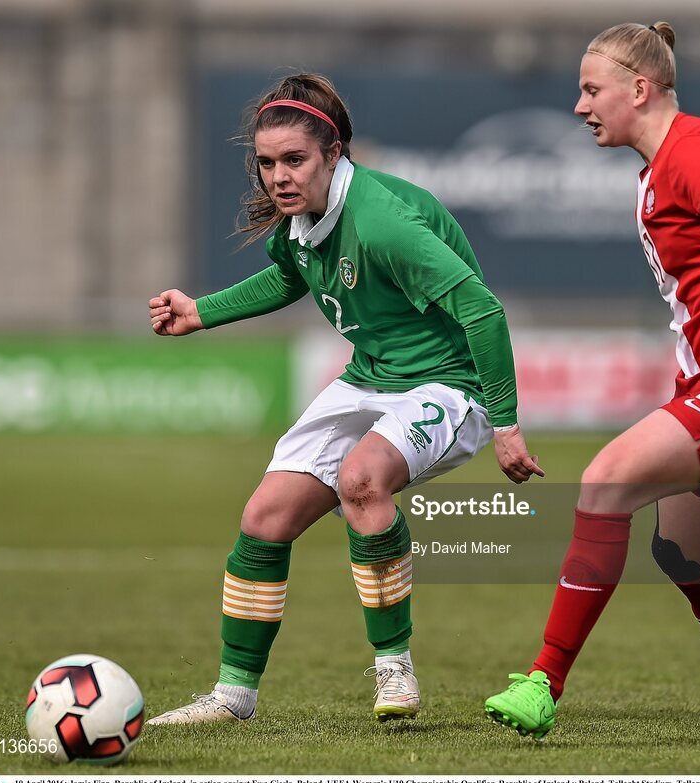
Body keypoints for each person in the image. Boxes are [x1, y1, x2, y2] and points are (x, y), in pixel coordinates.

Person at [146, 73, 543, 726]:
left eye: (294, 160)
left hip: (449, 384)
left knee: (362, 479)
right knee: (264, 518)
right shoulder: (299, 220)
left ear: (334, 155)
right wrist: (202, 312)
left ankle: (395, 665)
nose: (278, 176)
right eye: (267, 162)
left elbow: (483, 310)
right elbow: (288, 276)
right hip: (369, 377)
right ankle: (232, 697)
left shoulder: (384, 222)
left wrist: (505, 424)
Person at [484, 21, 700, 738]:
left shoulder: (694, 153)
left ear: (639, 89)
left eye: (589, 90)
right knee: (681, 552)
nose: (579, 106)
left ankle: (543, 680)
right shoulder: (666, 163)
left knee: (604, 481)